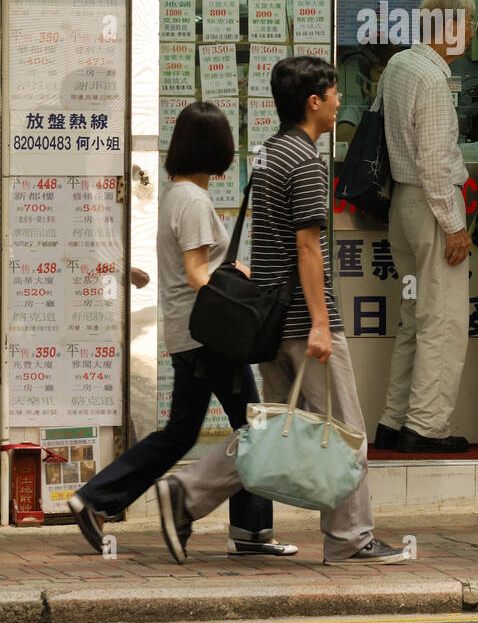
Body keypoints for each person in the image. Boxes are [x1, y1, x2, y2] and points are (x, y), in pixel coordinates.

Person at [154, 57, 410, 566]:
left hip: (268, 322)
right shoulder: (307, 160)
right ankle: (351, 538)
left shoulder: (269, 154)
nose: (340, 102)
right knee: (346, 430)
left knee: (272, 433)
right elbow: (307, 247)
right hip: (304, 320)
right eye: (334, 94)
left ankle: (187, 491)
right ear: (313, 102)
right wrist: (320, 321)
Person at [68, 101, 297, 560]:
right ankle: (240, 526)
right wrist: (241, 293)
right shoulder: (193, 200)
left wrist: (242, 273)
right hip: (210, 336)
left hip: (188, 334)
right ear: (216, 148)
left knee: (183, 432)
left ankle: (95, 500)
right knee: (254, 427)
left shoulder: (177, 194)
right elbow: (197, 274)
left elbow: (208, 266)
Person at [374, 0, 475, 454]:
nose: (472, 34)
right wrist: (455, 225)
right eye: (469, 24)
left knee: (415, 319)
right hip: (433, 208)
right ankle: (426, 427)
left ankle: (394, 422)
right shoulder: (433, 80)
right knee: (444, 321)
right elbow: (435, 161)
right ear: (450, 27)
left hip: (402, 207)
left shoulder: (399, 65)